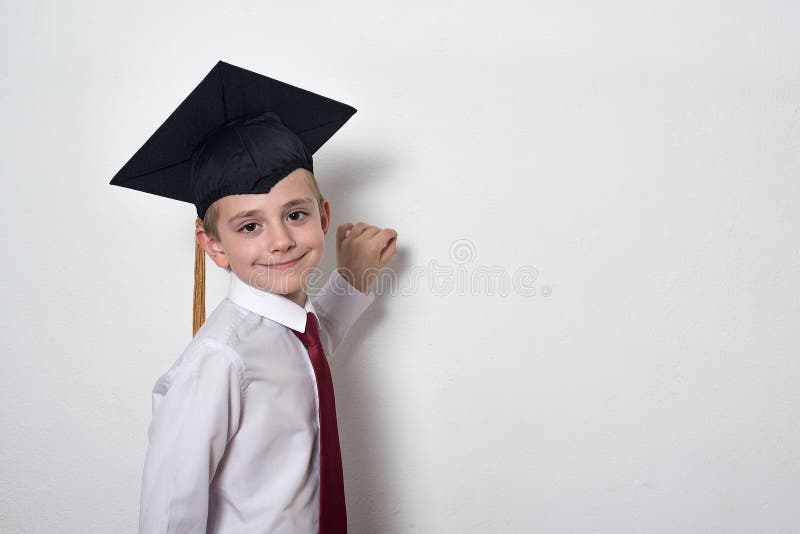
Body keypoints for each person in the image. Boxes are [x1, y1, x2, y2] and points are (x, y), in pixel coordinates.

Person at [110, 61, 397, 533]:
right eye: (249, 226)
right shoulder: (219, 359)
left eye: (296, 215)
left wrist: (353, 278)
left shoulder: (294, 332)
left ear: (324, 217)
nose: (280, 241)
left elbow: (314, 343)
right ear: (214, 246)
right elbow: (170, 515)